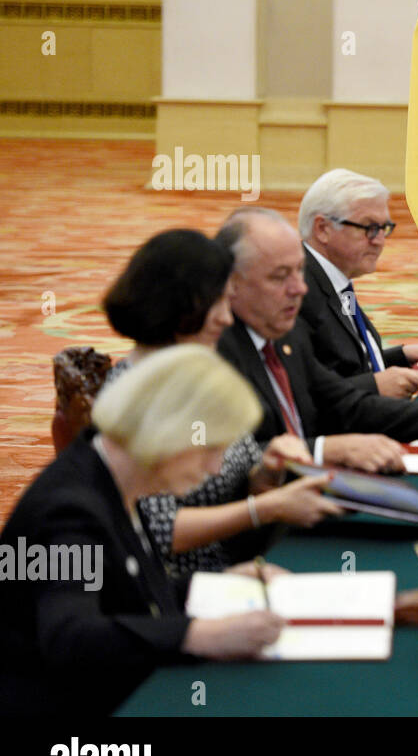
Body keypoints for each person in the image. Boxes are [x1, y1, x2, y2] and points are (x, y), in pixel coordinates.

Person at [0, 345, 291, 715]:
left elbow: (128, 596)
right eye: (211, 448)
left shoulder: (115, 480)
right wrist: (200, 635)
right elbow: (70, 639)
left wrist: (221, 580)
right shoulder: (66, 510)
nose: (217, 468)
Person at [102, 230, 344, 576]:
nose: (227, 319)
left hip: (243, 561)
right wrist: (267, 508)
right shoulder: (138, 398)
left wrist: (268, 468)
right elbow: (158, 532)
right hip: (179, 588)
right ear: (181, 305)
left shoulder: (197, 375)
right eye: (218, 304)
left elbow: (241, 476)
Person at [214, 209, 418, 473]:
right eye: (280, 276)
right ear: (231, 283)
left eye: (298, 271)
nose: (300, 288)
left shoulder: (285, 335)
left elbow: (343, 403)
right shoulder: (209, 354)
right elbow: (214, 465)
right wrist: (322, 449)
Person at [296, 168, 418, 398]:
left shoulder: (336, 281)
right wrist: (375, 386)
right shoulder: (294, 291)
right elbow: (301, 395)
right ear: (323, 229)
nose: (380, 241)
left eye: (383, 228)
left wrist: (401, 356)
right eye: (369, 228)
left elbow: (345, 362)